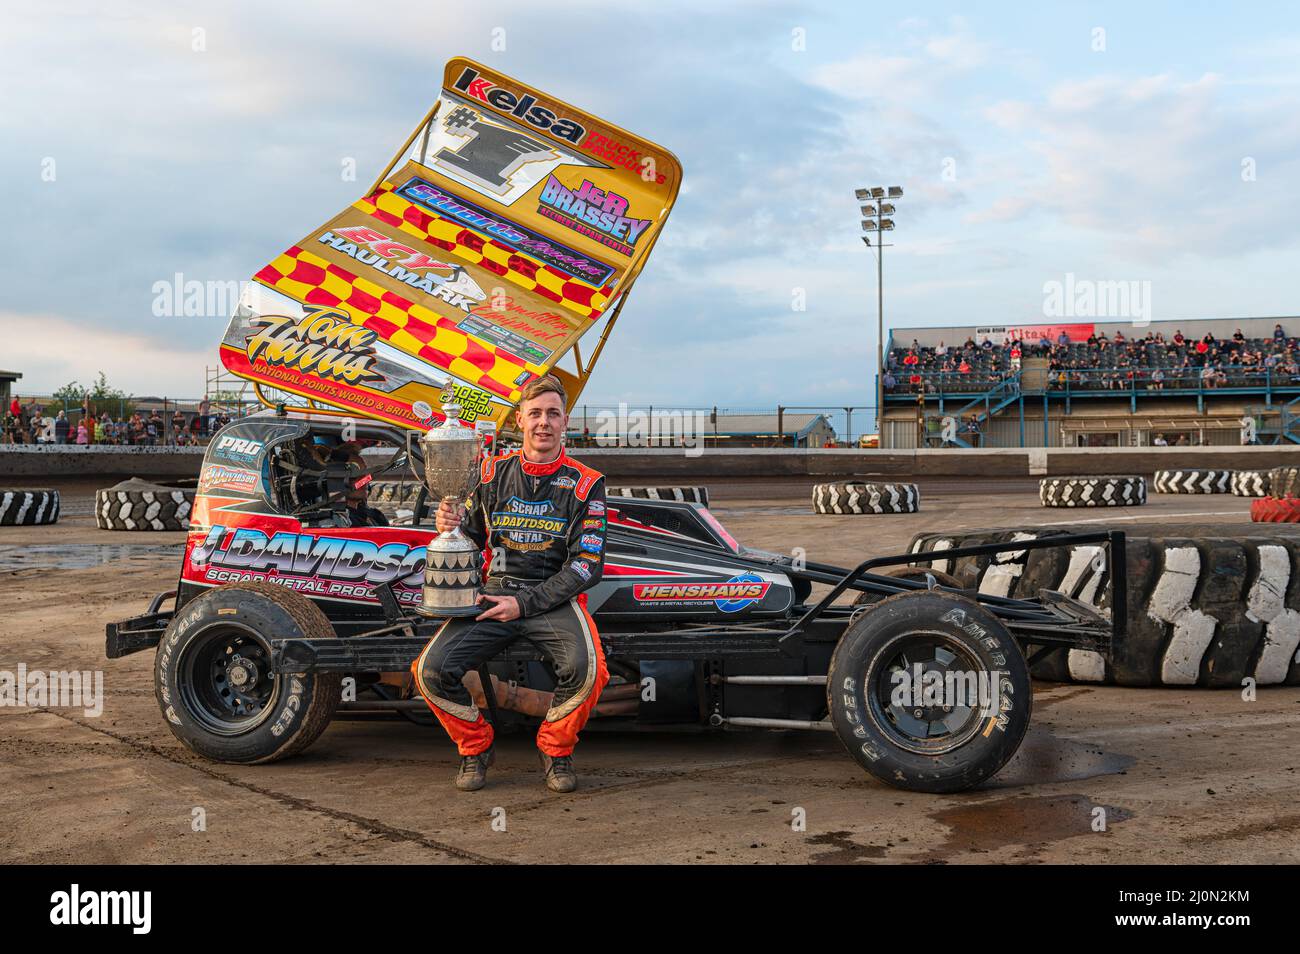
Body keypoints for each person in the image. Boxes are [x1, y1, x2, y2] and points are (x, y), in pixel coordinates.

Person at [412, 375, 609, 794]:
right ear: (519, 419)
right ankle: (476, 748)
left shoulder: (587, 483)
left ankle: (555, 751)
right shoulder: (489, 472)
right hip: (495, 591)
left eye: (552, 414)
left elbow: (587, 566)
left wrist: (524, 606)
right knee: (429, 672)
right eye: (535, 414)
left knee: (588, 671)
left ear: (565, 422)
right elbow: (474, 538)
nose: (543, 423)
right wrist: (452, 525)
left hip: (554, 597)